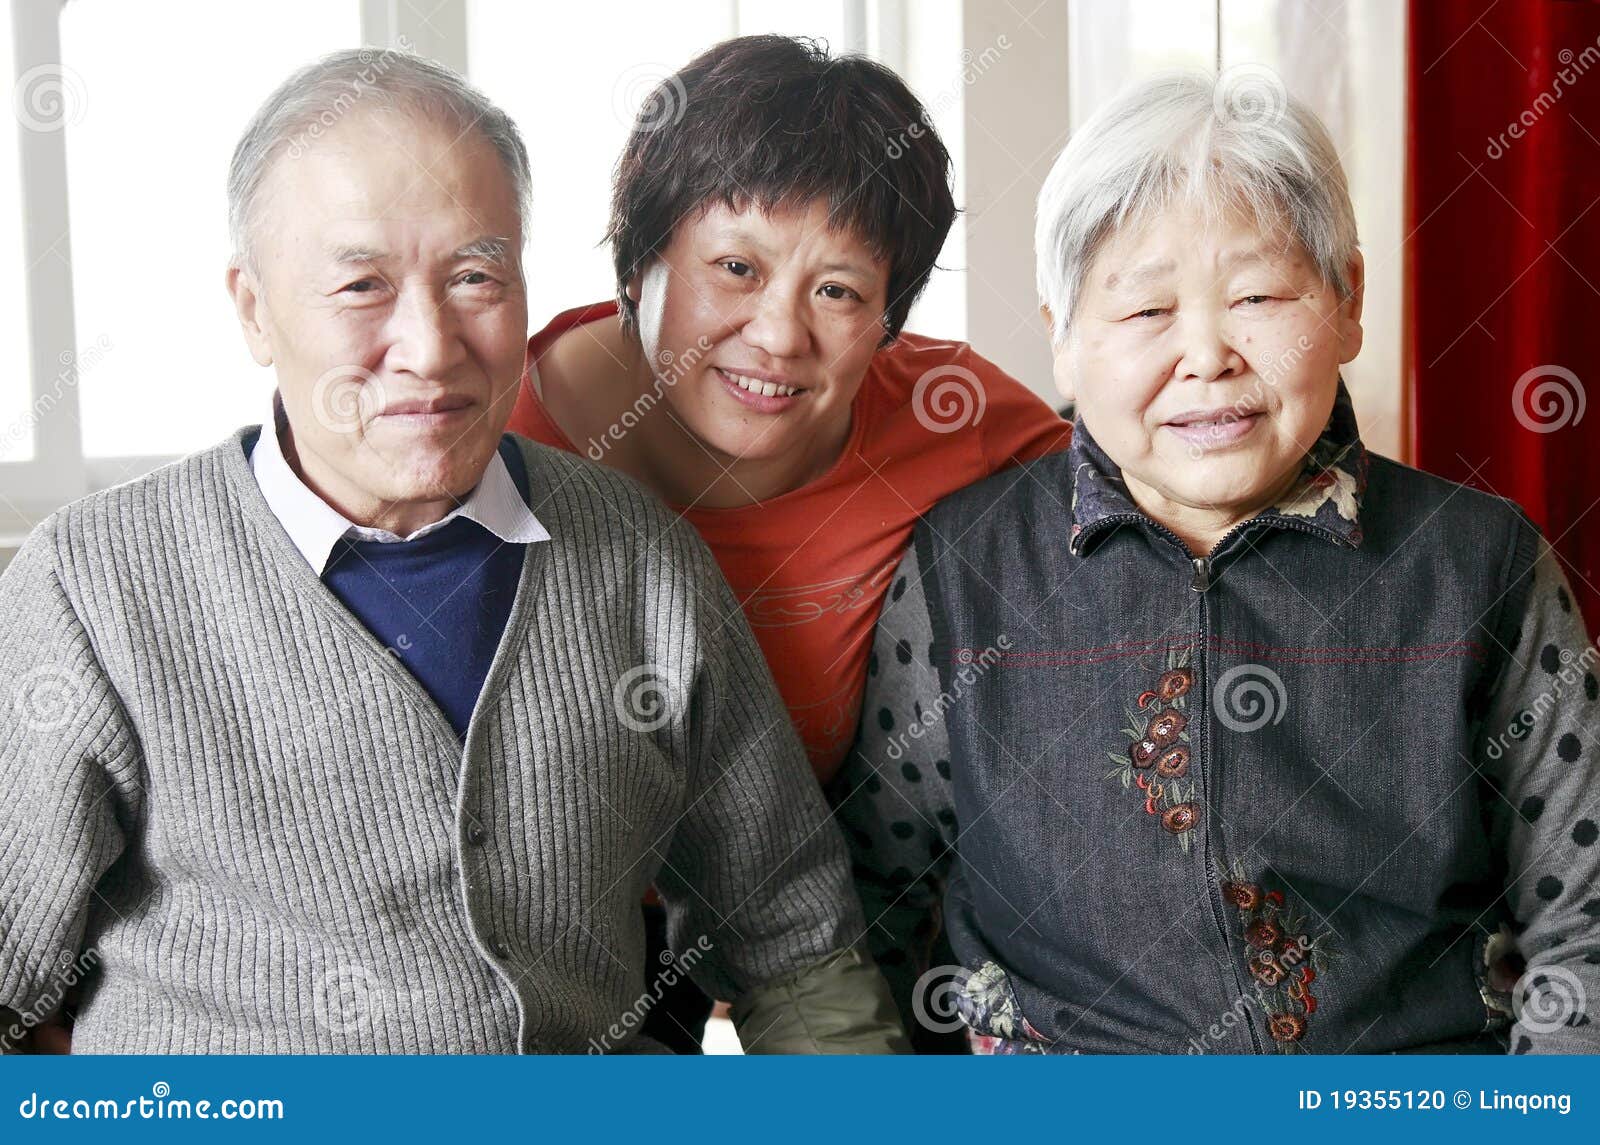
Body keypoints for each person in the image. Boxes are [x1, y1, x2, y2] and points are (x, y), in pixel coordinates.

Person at [0, 50, 906, 1055]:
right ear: (254, 307)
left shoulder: (644, 559)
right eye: (360, 285)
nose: (430, 347)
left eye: (476, 276)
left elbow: (795, 940)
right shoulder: (91, 583)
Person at [838, 72, 1599, 1053]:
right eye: (1146, 311)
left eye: (1255, 295)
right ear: (1064, 341)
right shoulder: (963, 569)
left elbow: (1581, 919)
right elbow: (871, 899)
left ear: (1347, 299)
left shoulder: (1476, 562)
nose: (1205, 353)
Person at [506, 35, 1070, 1050]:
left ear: (888, 318)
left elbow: (1153, 506)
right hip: (566, 949)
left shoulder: (954, 418)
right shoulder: (491, 442)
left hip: (843, 931)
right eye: (735, 267)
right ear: (639, 260)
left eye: (838, 290)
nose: (777, 333)